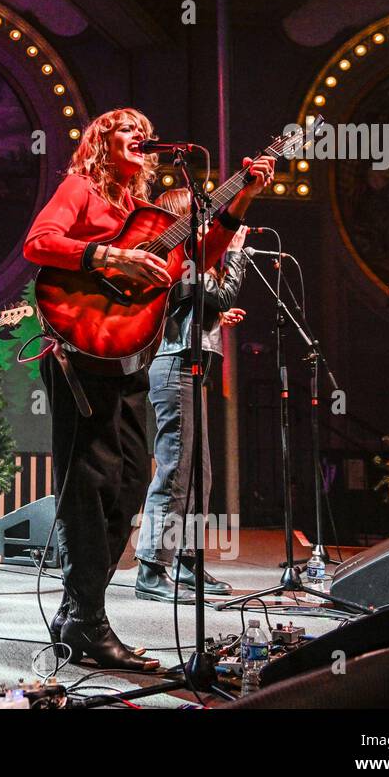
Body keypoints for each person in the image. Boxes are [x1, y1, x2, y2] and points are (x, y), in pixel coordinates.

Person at [23, 108, 272, 670]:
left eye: (144, 129)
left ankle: (78, 609)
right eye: (125, 128)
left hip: (132, 355)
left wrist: (242, 199)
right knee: (89, 481)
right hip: (80, 351)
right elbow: (40, 243)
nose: (140, 134)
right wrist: (109, 255)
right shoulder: (80, 188)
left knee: (133, 479)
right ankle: (87, 619)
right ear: (100, 142)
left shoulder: (149, 212)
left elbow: (202, 260)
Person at [135, 205, 250, 602]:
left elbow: (212, 301)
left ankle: (186, 561)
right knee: (176, 471)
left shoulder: (194, 267)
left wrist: (216, 316)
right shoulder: (183, 260)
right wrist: (235, 251)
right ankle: (151, 567)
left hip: (191, 368)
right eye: (200, 216)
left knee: (198, 474)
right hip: (175, 366)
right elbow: (224, 292)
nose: (212, 224)